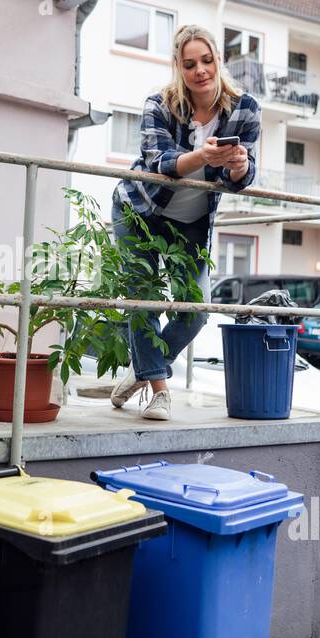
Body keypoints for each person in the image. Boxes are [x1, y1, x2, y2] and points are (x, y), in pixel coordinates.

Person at [110, 24, 261, 421]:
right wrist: (202, 156)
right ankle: (159, 391)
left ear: (218, 60)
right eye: (190, 63)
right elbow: (159, 162)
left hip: (191, 222)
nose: (200, 71)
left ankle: (144, 369)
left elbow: (241, 180)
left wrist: (240, 167)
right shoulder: (158, 104)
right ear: (178, 66)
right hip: (139, 211)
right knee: (143, 298)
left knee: (196, 310)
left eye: (207, 61)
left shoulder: (244, 107)